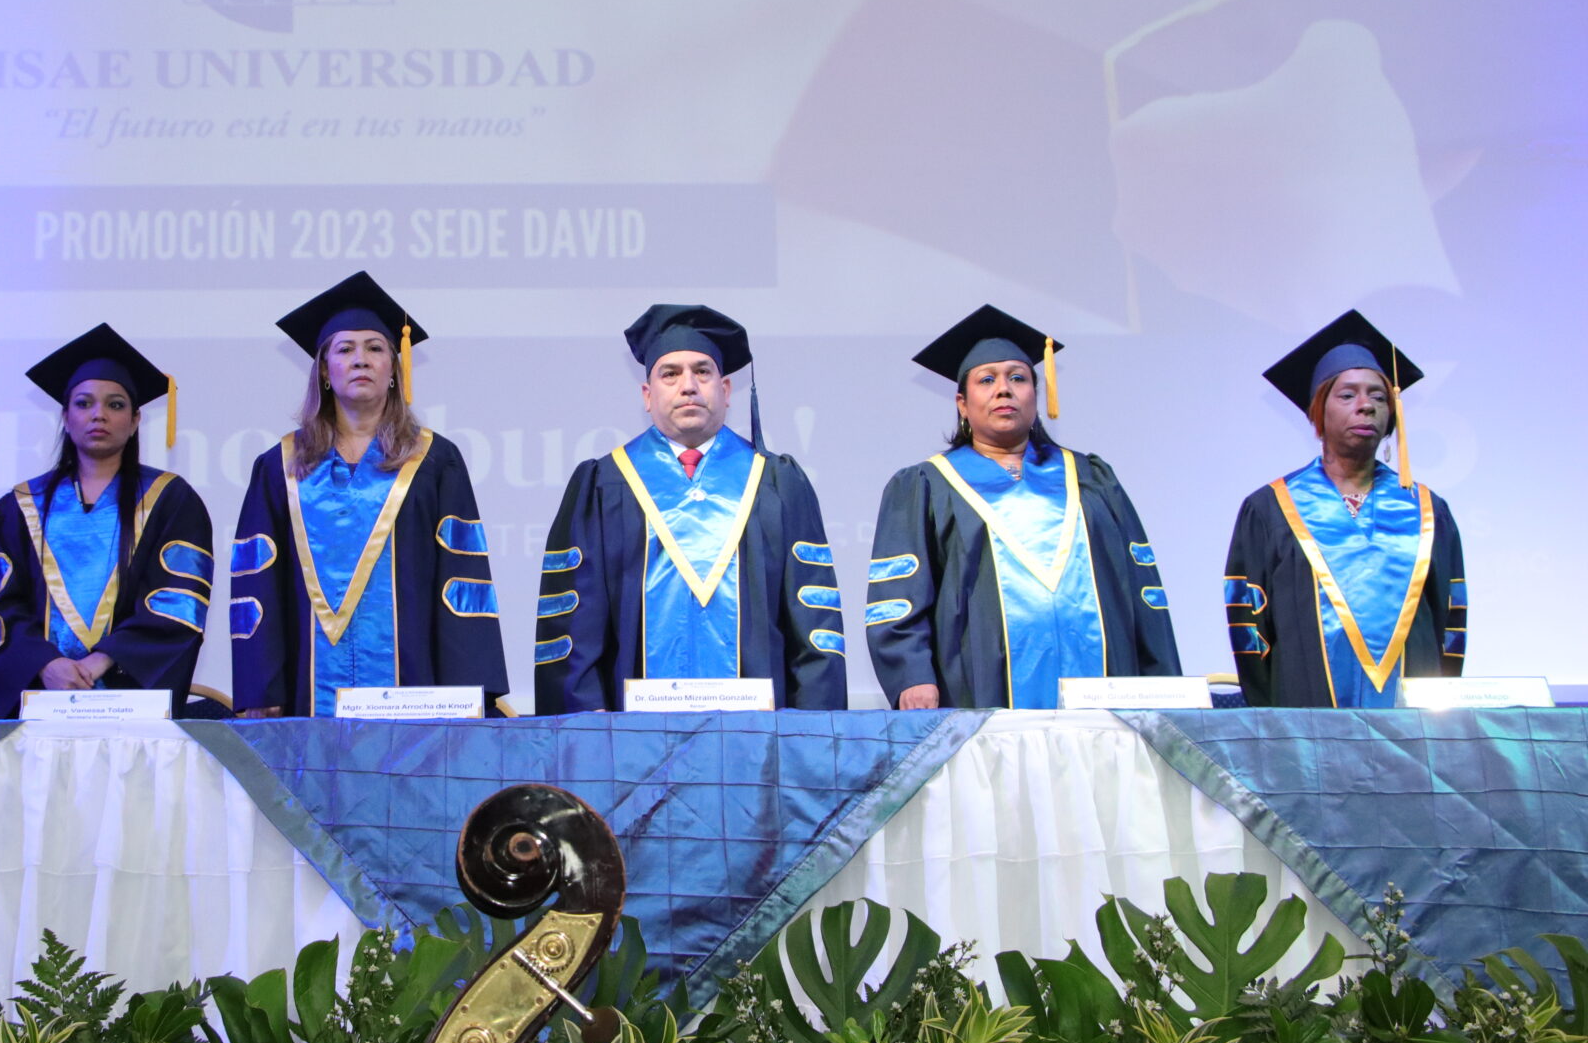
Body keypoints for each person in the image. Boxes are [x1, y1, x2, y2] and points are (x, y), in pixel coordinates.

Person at [534, 304, 847, 713]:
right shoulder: (602, 484)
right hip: (630, 736)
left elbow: (814, 623)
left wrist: (811, 726)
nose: (688, 386)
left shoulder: (777, 482)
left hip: (763, 734)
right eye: (670, 374)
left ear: (726, 390)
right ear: (647, 396)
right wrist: (586, 723)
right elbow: (575, 624)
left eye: (702, 372)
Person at [866, 305, 1180, 709]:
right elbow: (898, 595)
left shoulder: (1092, 479)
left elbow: (1140, 589)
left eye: (1018, 377)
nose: (1004, 389)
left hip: (1107, 688)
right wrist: (912, 676)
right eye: (987, 380)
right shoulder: (926, 486)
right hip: (978, 691)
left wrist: (1162, 679)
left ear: (1036, 393)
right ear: (962, 403)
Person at [229, 272, 508, 716]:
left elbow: (460, 579)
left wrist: (465, 692)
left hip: (417, 695)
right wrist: (263, 692)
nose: (361, 359)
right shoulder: (279, 466)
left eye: (375, 348)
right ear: (324, 370)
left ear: (394, 369)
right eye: (345, 349)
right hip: (306, 694)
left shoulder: (435, 461)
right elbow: (259, 584)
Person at [0, 324, 214, 718]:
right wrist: (45, 664)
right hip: (39, 703)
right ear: (65, 417)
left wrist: (103, 660)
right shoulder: (18, 507)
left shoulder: (171, 501)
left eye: (115, 405)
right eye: (84, 404)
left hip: (130, 705)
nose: (99, 414)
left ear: (135, 420)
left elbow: (178, 600)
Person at [1224, 311, 1465, 707]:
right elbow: (1250, 630)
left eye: (1379, 396)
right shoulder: (1270, 509)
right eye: (1348, 395)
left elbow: (1449, 624)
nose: (1366, 406)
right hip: (1304, 717)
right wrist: (1274, 717)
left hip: (1413, 721)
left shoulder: (1427, 510)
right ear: (1318, 409)